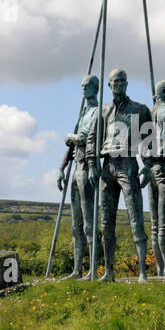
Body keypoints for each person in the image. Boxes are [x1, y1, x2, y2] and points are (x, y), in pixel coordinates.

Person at [96, 68, 151, 282]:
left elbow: (149, 141)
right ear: (109, 85)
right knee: (105, 222)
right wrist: (93, 163)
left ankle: (142, 272)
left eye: (123, 80)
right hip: (107, 165)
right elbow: (96, 140)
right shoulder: (104, 111)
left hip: (128, 164)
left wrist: (147, 164)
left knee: (135, 218)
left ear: (127, 83)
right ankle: (108, 271)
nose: (120, 84)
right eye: (115, 81)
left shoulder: (140, 109)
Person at [56, 75, 101, 279]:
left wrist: (69, 136)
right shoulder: (83, 113)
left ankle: (92, 268)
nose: (83, 89)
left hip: (86, 169)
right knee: (75, 226)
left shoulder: (98, 113)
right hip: (75, 169)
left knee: (88, 223)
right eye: (81, 86)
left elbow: (83, 138)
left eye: (87, 86)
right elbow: (73, 145)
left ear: (95, 88)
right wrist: (62, 167)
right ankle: (76, 269)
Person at [140, 79, 165, 277]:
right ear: (164, 92)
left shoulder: (148, 113)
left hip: (151, 168)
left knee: (155, 223)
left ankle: (159, 266)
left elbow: (143, 144)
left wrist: (146, 164)